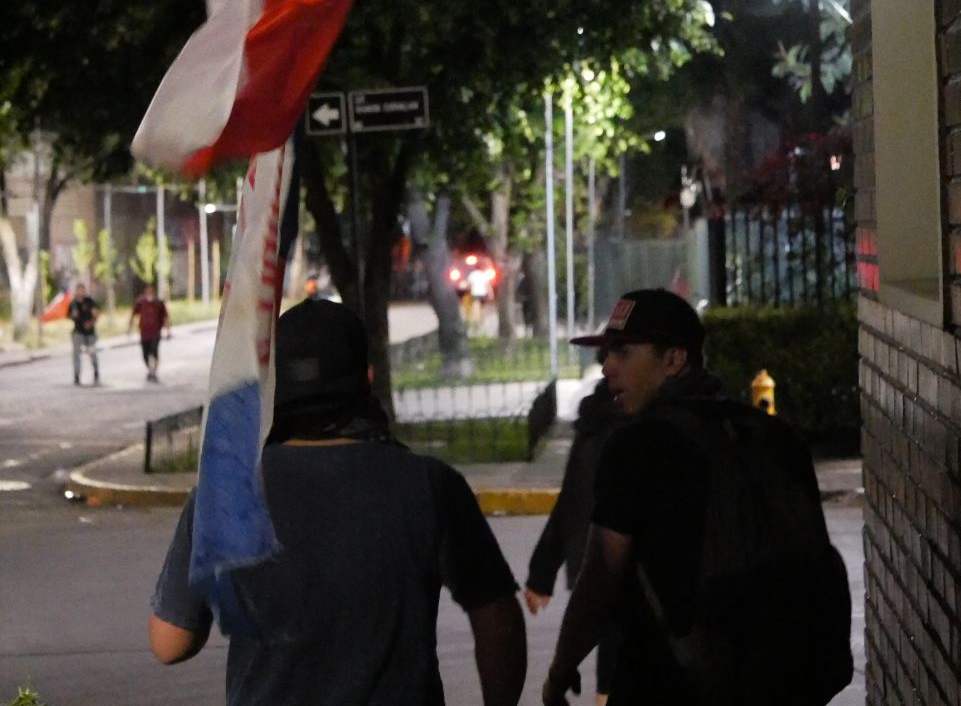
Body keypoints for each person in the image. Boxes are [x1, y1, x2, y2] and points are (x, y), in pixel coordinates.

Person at [149, 298, 527, 706]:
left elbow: (170, 642)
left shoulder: (225, 494)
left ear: (274, 388)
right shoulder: (430, 486)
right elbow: (499, 622)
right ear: (367, 380)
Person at [542, 288, 852, 706]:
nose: (607, 368)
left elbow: (601, 574)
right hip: (784, 677)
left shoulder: (635, 446)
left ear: (674, 359)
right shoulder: (777, 437)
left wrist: (561, 669)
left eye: (623, 353)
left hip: (672, 680)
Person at [524, 374, 626, 705]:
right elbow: (574, 499)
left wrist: (542, 572)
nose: (611, 365)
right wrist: (542, 571)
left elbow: (571, 500)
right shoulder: (607, 425)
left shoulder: (599, 421)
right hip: (621, 572)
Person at [128, 282, 171, 382]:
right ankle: (149, 369)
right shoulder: (140, 302)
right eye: (147, 290)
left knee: (154, 351)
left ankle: (154, 371)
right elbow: (133, 314)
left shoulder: (159, 303)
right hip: (144, 333)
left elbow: (166, 317)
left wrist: (168, 330)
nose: (149, 292)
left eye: (151, 290)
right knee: (145, 354)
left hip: (155, 332)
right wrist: (129, 328)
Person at [68, 282, 100, 386]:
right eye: (79, 290)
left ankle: (96, 372)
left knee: (92, 353)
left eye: (82, 290)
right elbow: (70, 316)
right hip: (78, 332)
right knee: (76, 354)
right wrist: (73, 316)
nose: (81, 292)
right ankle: (76, 376)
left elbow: (96, 313)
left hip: (90, 332)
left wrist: (91, 322)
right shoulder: (73, 303)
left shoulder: (89, 301)